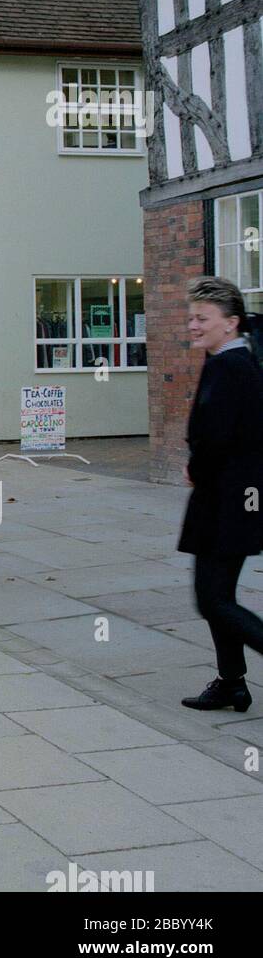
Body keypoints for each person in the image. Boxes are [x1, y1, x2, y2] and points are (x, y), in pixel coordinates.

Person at [177, 276, 263, 713]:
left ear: (230, 323)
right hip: (221, 497)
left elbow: (220, 438)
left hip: (231, 500)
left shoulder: (234, 367)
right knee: (216, 597)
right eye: (191, 317)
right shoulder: (222, 359)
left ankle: (233, 681)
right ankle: (232, 683)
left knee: (213, 599)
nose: (192, 325)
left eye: (201, 318)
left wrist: (198, 465)